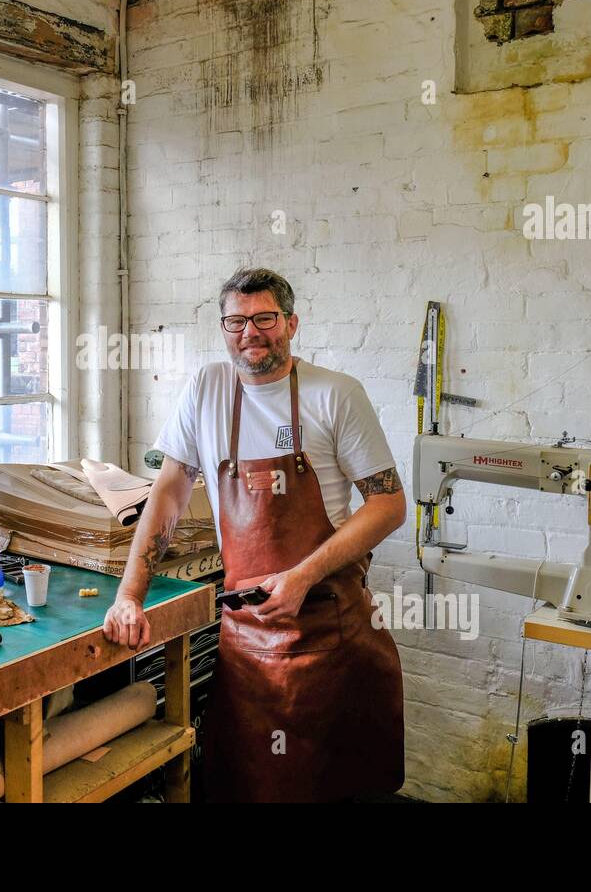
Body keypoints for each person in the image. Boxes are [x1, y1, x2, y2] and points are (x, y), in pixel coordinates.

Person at [102, 267, 407, 801]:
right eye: (236, 321)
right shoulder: (206, 388)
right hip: (246, 635)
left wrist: (302, 575)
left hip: (328, 627)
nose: (250, 332)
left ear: (291, 323)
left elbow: (389, 504)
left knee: (334, 786)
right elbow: (169, 492)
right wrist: (130, 596)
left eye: (264, 318)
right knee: (250, 783)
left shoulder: (335, 394)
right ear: (223, 328)